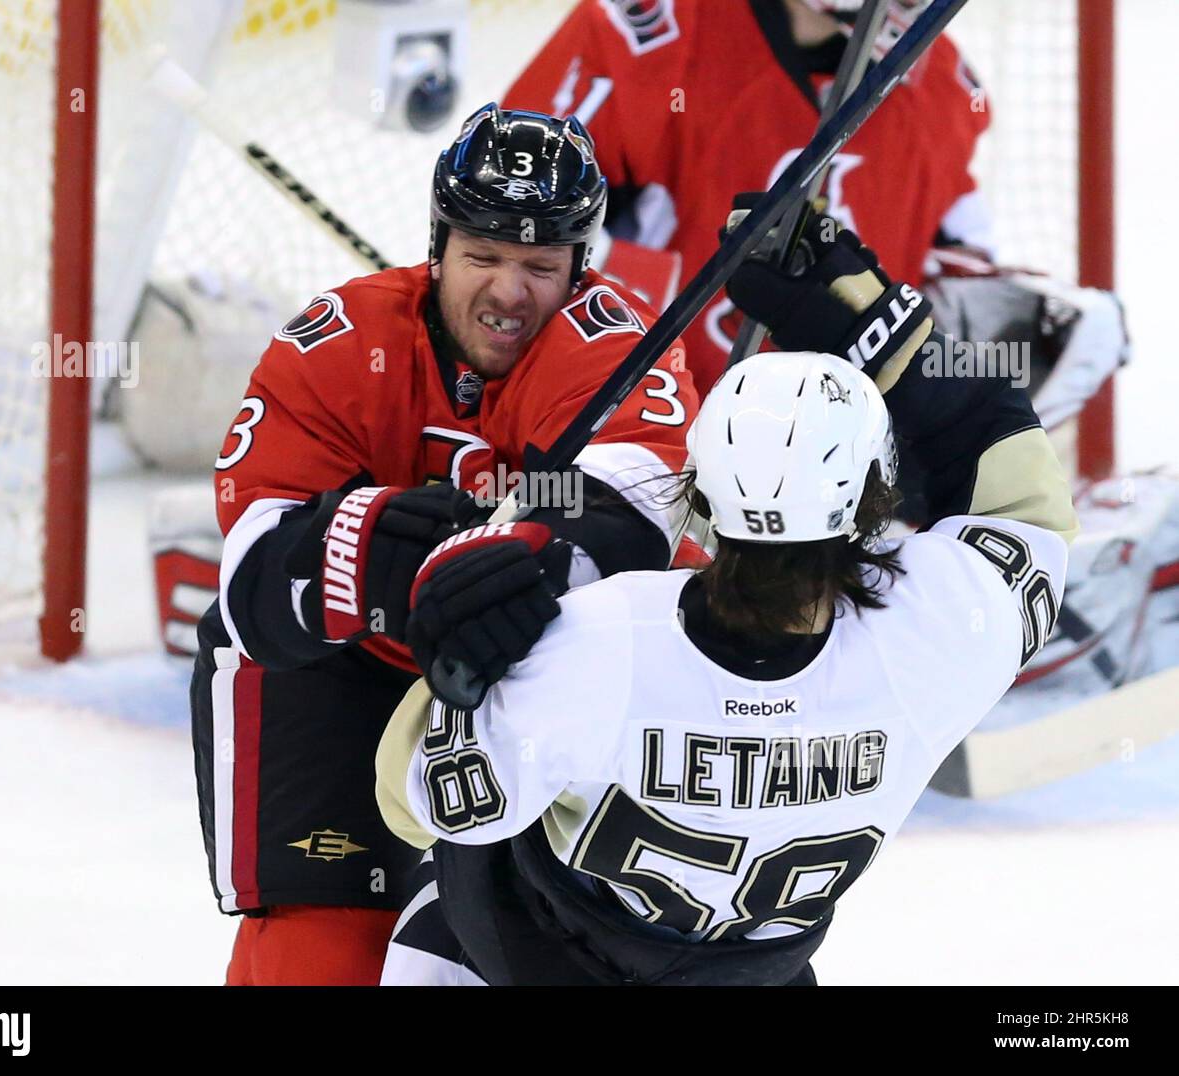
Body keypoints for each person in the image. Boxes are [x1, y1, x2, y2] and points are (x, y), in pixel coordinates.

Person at [374, 203, 1077, 985]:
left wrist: (456, 662)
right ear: (878, 495)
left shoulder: (591, 641)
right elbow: (1019, 492)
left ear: (700, 504)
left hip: (515, 959)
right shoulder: (941, 631)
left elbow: (413, 806)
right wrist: (878, 321)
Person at [190, 103, 701, 985]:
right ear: (438, 248)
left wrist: (501, 568)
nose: (510, 291)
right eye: (485, 257)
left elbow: (630, 523)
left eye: (541, 265)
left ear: (580, 268)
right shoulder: (338, 343)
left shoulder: (615, 347)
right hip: (343, 667)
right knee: (321, 955)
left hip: (539, 682)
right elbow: (255, 585)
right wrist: (362, 557)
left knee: (529, 955)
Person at [504, 0, 1126, 472]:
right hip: (645, 440)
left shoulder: (936, 76)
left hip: (839, 458)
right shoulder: (645, 34)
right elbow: (509, 227)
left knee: (1085, 328)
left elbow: (954, 254)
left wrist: (959, 353)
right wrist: (667, 298)